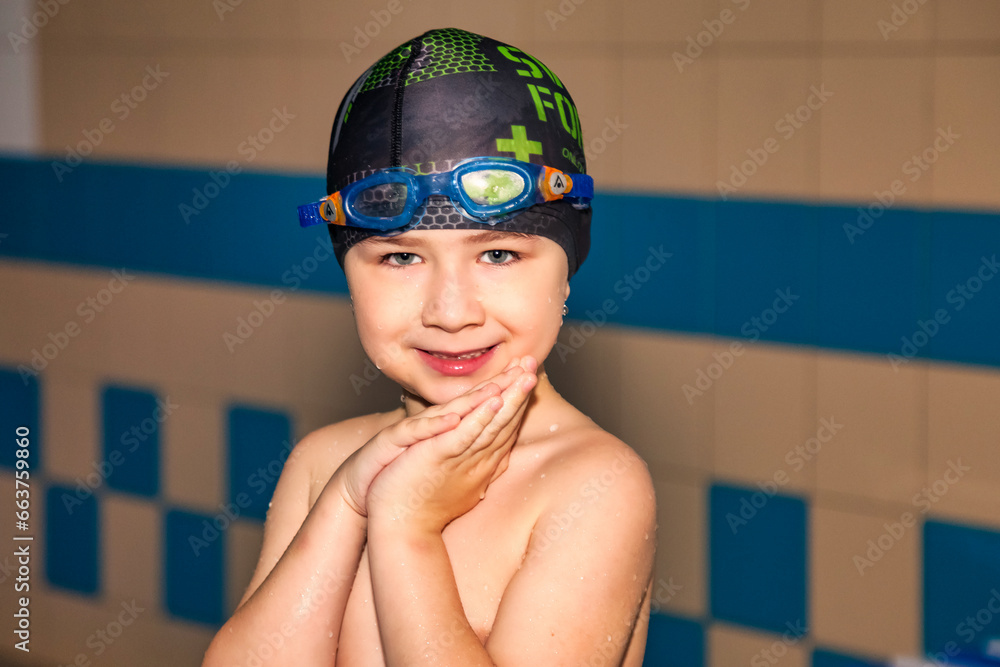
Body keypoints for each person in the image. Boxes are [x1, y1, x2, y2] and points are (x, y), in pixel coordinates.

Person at [203, 27, 656, 667]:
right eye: (399, 257)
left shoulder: (593, 485)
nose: (450, 312)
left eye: (498, 254)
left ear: (567, 266)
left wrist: (405, 530)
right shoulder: (327, 463)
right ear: (347, 275)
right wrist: (349, 502)